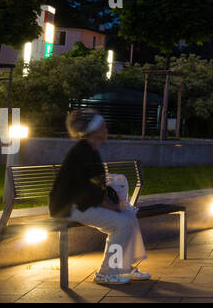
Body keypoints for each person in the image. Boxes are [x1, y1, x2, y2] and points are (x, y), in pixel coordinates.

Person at [48, 110, 150, 286]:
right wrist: (108, 205)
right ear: (93, 130)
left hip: (81, 205)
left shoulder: (89, 150)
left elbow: (96, 185)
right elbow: (85, 188)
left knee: (129, 217)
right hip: (68, 208)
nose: (106, 128)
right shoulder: (82, 151)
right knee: (121, 223)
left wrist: (114, 204)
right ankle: (106, 272)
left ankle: (123, 266)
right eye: (103, 126)